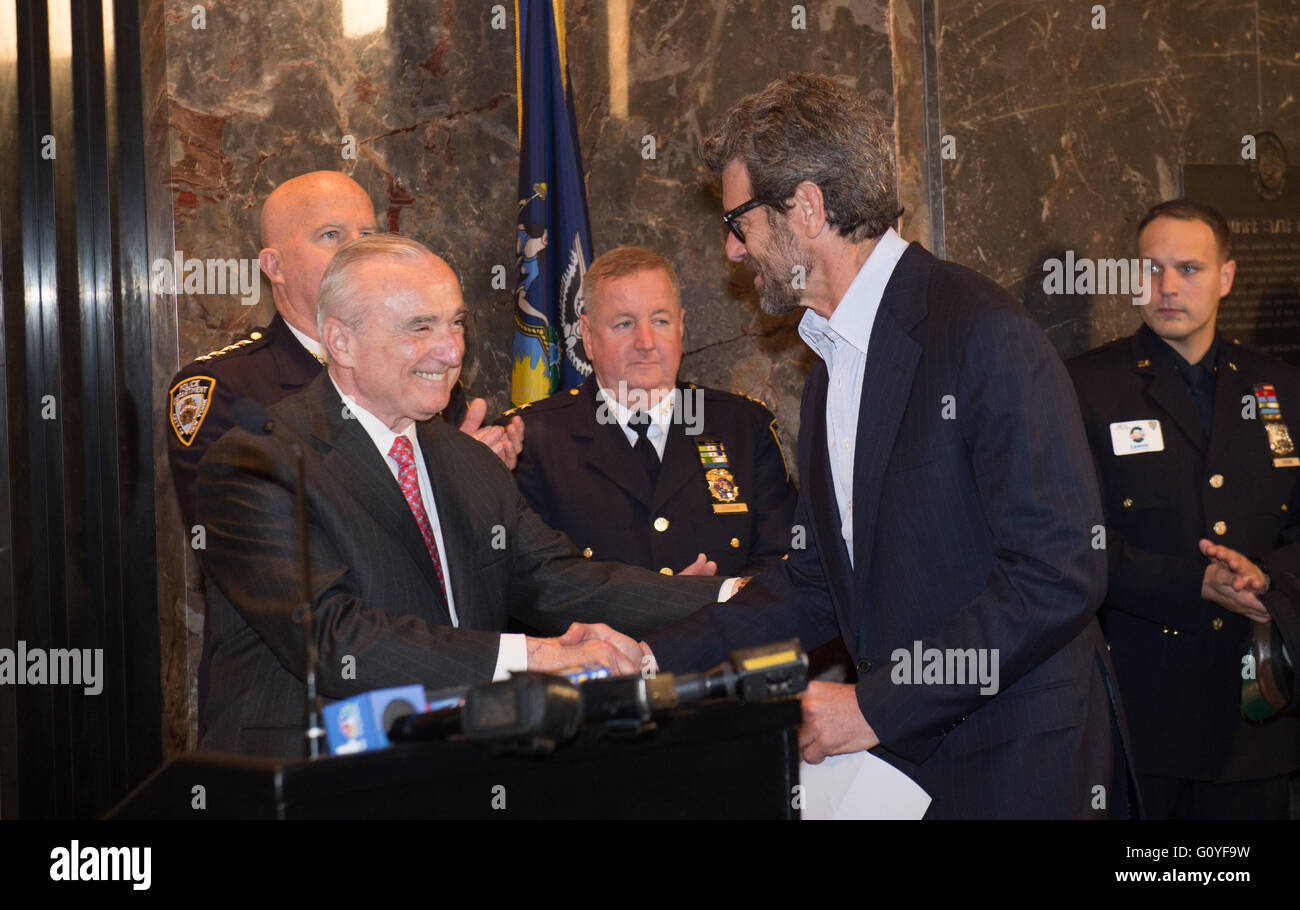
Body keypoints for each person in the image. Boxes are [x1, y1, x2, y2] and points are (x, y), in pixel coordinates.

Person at [640, 73, 1132, 819]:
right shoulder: (835, 356)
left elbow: (1059, 571)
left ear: (806, 208)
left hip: (1018, 767)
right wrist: (649, 662)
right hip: (908, 769)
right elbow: (814, 582)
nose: (734, 251)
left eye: (738, 221)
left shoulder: (980, 333)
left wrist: (877, 706)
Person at [196, 236, 725, 758]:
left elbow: (560, 581)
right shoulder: (258, 462)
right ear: (341, 342)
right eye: (419, 328)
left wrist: (740, 596)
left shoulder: (468, 461)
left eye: (455, 322)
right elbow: (335, 642)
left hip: (453, 773)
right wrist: (534, 656)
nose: (451, 351)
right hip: (313, 784)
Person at [1067, 199, 1300, 818]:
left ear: (1225, 276)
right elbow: (1071, 540)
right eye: (1150, 268)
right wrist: (1193, 581)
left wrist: (1267, 577)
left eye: (1189, 269)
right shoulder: (1088, 386)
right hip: (1145, 712)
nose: (1167, 286)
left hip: (1256, 708)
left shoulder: (1277, 386)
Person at [166, 170, 523, 530]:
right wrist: (437, 481)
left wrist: (482, 481)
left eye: (367, 234)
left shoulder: (421, 366)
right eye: (330, 234)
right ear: (275, 266)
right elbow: (247, 547)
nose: (357, 250)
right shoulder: (224, 389)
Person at [508, 246, 796, 579]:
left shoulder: (744, 429)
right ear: (587, 337)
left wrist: (715, 615)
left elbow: (783, 565)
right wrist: (667, 605)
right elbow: (532, 583)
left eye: (660, 320)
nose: (645, 342)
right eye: (624, 324)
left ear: (680, 327)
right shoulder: (531, 442)